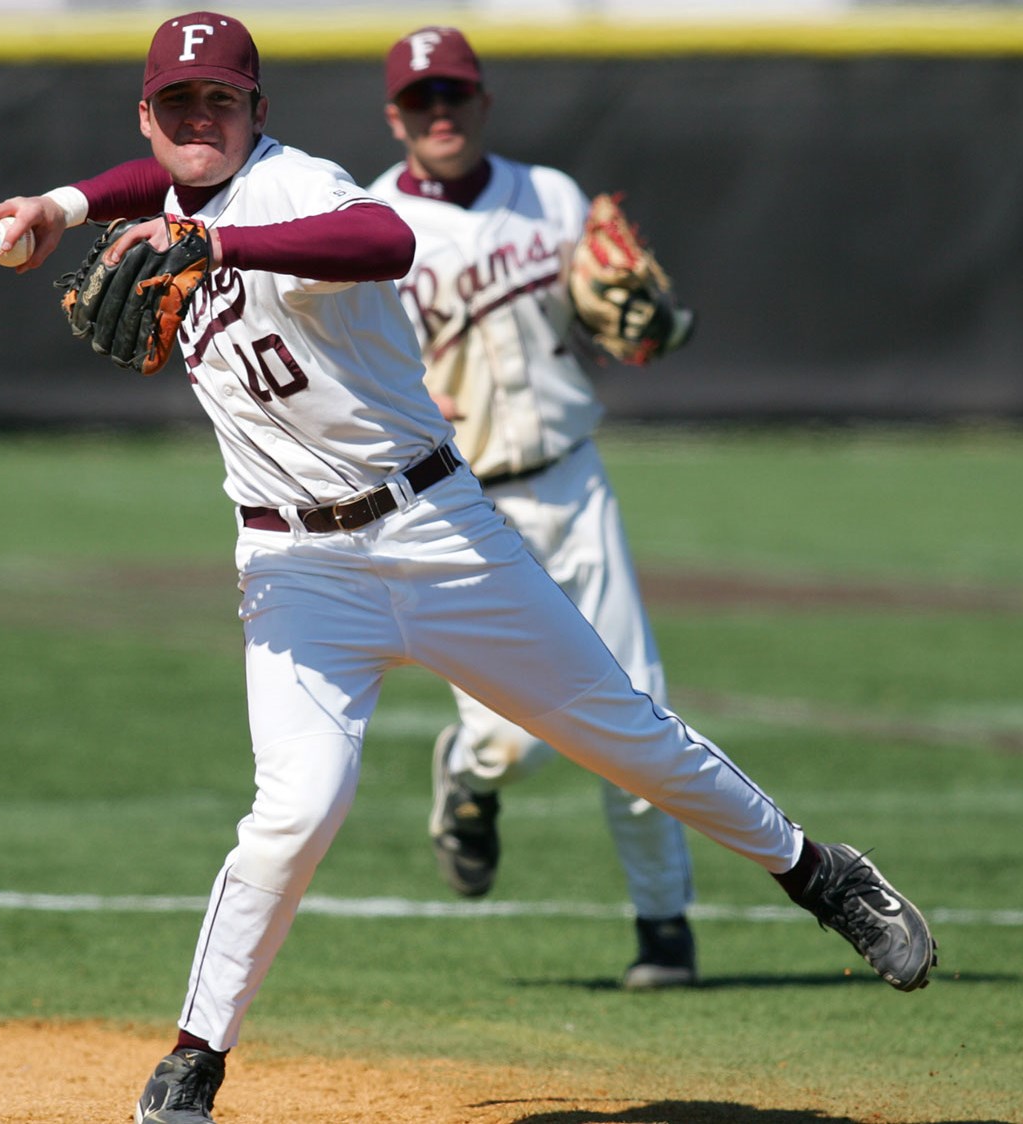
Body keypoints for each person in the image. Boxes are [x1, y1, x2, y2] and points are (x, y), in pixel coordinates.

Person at [0, 14, 937, 1124]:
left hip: (435, 535)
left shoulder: (296, 191)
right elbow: (169, 181)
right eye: (177, 106)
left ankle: (818, 873)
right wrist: (62, 206)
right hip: (295, 569)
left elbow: (381, 241)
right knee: (295, 809)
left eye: (222, 103)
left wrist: (218, 250)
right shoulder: (174, 193)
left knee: (626, 732)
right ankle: (194, 1057)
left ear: (259, 115)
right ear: (147, 116)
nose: (200, 124)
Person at [366, 25, 701, 990]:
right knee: (508, 743)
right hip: (459, 502)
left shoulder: (549, 195)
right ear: (394, 117)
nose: (441, 114)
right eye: (422, 100)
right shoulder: (379, 226)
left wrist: (658, 324)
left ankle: (664, 927)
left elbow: (621, 322)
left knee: (640, 718)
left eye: (456, 95)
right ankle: (468, 782)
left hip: (571, 476)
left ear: (483, 102)